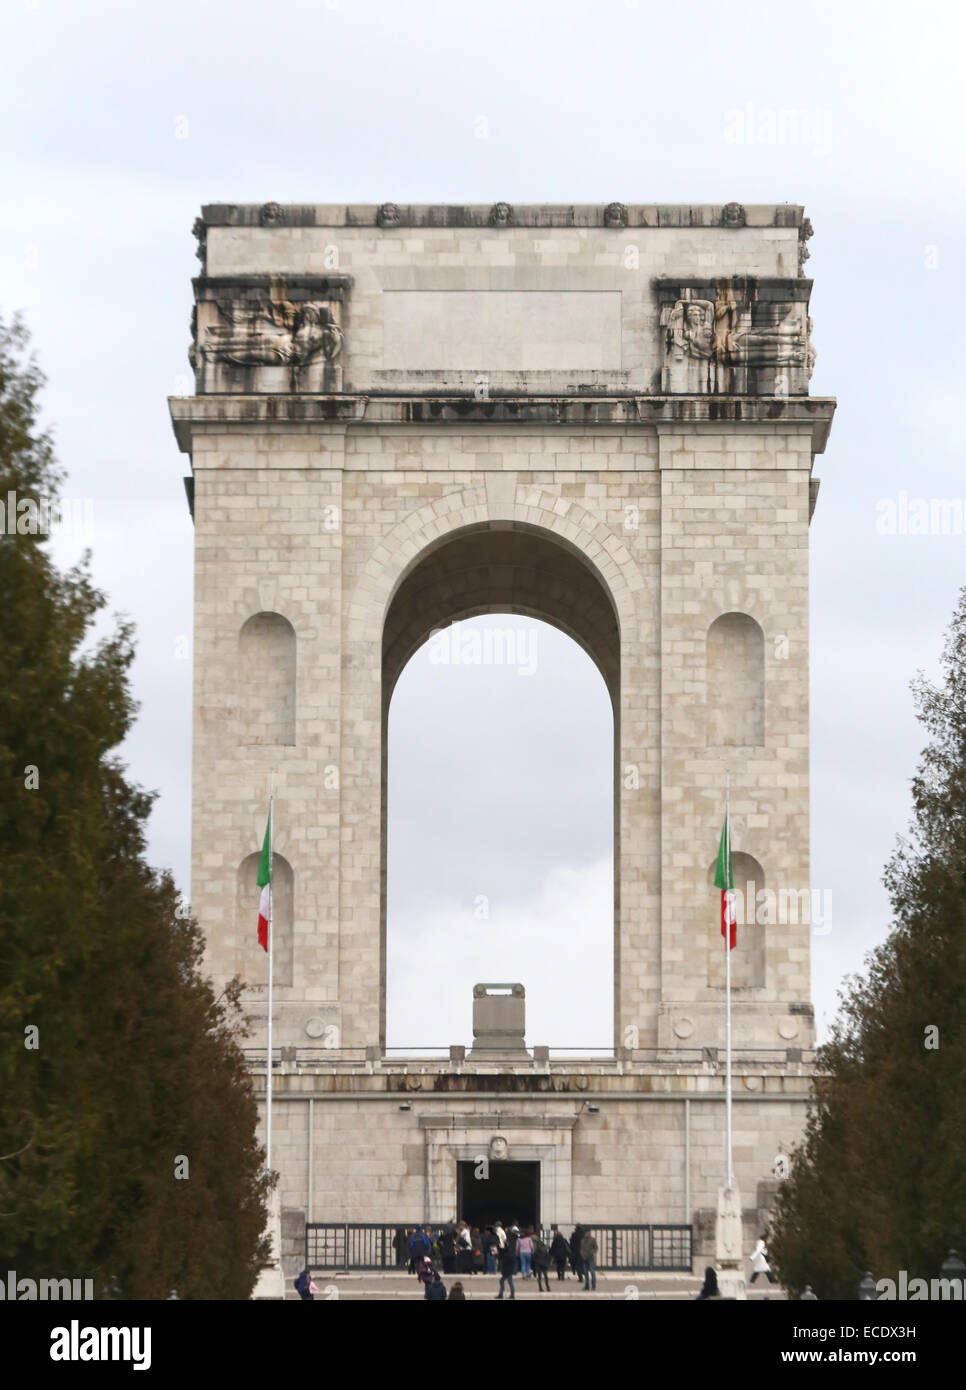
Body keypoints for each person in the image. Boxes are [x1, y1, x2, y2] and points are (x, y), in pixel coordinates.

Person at [496, 1225, 518, 1300]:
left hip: (507, 1267)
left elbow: (504, 1254)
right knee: (508, 1281)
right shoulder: (511, 1246)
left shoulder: (508, 1247)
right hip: (509, 1266)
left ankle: (503, 1294)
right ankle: (507, 1294)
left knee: (505, 1281)